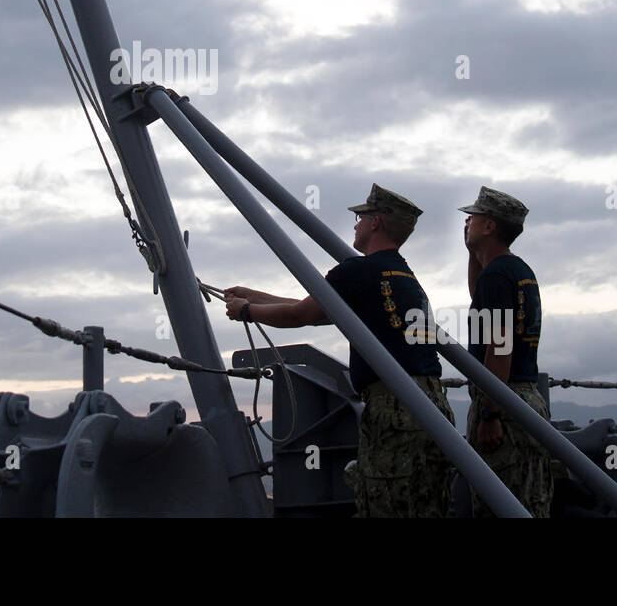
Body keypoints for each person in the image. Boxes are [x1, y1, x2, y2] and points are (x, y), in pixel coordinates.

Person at [223, 184, 455, 517]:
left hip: (395, 410)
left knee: (388, 506)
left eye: (361, 217)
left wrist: (246, 312)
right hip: (430, 405)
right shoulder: (401, 273)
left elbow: (301, 316)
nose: (356, 224)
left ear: (375, 223)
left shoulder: (358, 271)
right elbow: (318, 310)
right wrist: (254, 296)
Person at [459, 186, 552, 517]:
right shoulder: (516, 270)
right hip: (526, 400)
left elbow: (500, 345)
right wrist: (473, 253)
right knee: (529, 503)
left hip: (505, 404)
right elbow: (479, 300)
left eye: (474, 217)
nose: (467, 221)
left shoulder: (497, 275)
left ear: (490, 227)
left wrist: (490, 413)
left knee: (497, 505)